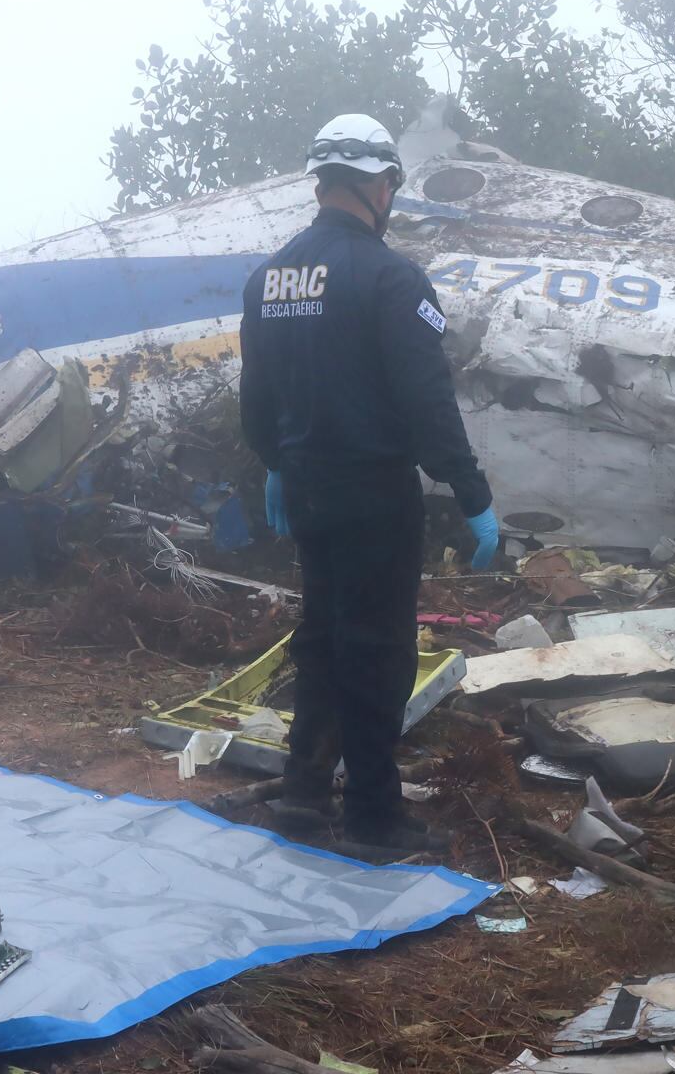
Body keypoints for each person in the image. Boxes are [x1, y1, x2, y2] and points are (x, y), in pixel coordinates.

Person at [238, 113, 498, 853]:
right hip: (374, 491)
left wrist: (276, 464)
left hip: (310, 491)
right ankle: (374, 818)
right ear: (378, 183)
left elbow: (256, 397)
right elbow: (426, 403)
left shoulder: (270, 279)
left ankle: (303, 794)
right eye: (391, 184)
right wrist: (471, 493)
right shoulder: (390, 276)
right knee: (378, 648)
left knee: (320, 636)